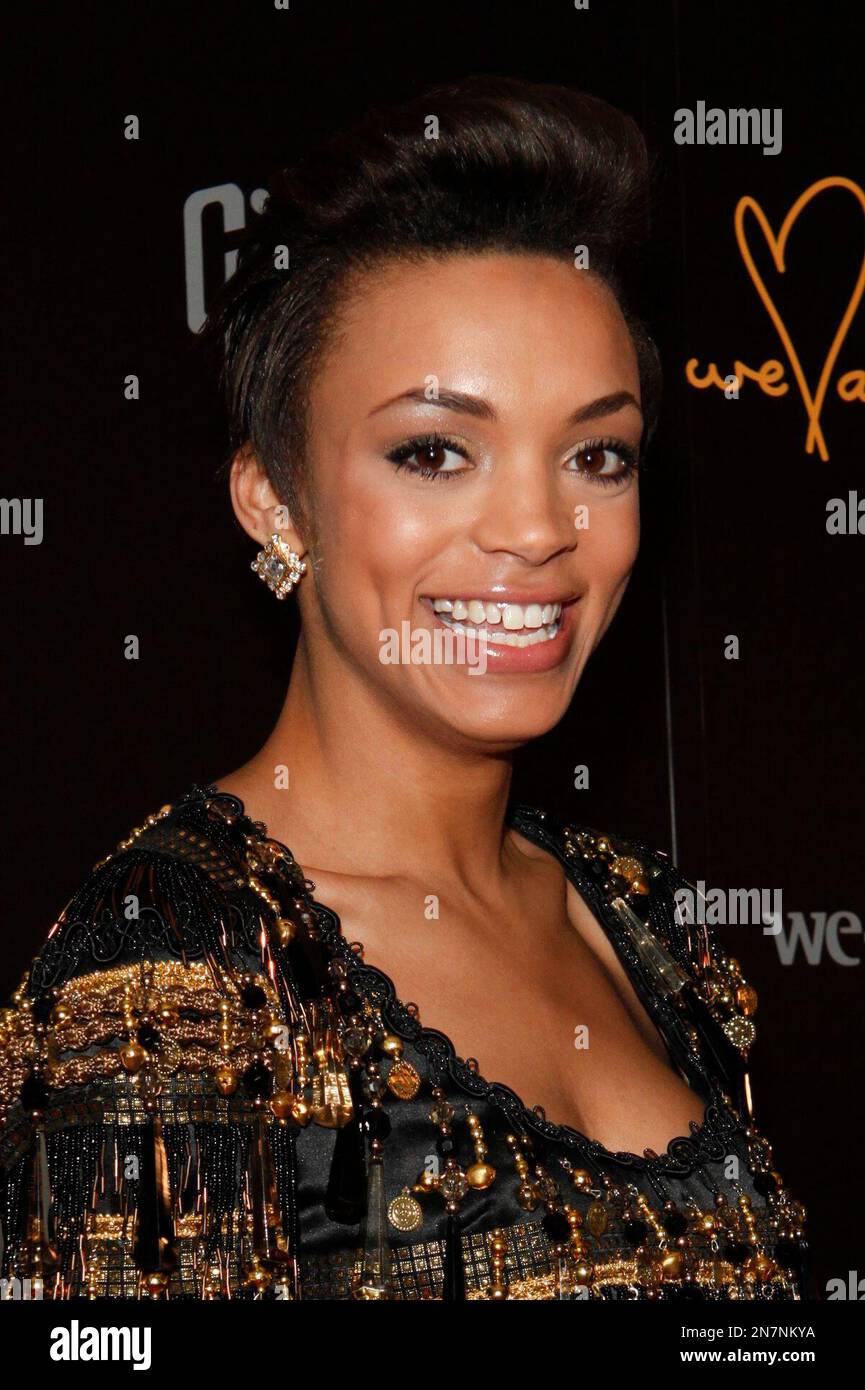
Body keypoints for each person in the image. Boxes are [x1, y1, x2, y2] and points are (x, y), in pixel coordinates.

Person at [0, 76, 809, 1301]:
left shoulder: (643, 920)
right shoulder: (169, 968)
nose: (538, 529)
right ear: (276, 499)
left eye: (596, 454)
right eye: (434, 451)